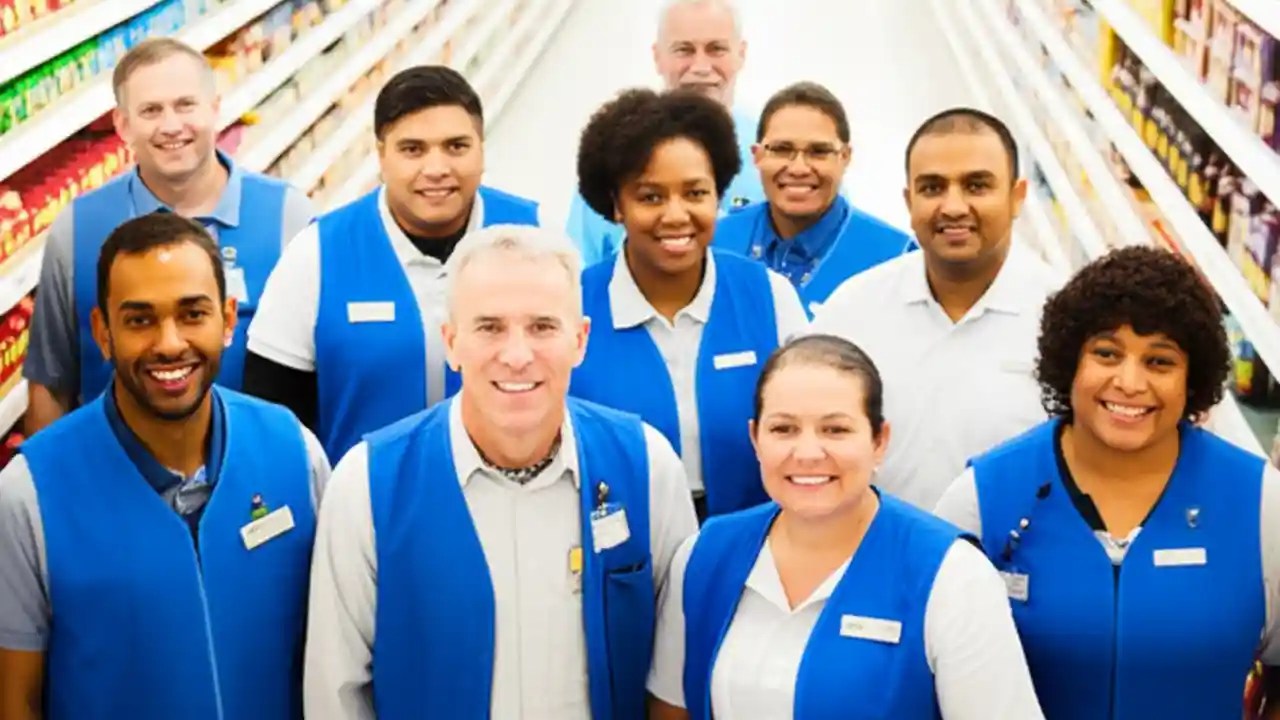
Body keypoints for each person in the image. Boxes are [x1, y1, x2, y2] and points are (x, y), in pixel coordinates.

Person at [303, 224, 698, 719]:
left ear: (580, 340)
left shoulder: (647, 467)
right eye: (489, 327)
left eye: (542, 327)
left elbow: (678, 670)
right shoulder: (366, 485)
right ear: (451, 341)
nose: (516, 356)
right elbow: (335, 694)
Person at [0, 214, 330, 720]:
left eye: (192, 314)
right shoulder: (29, 494)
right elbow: (16, 700)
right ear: (102, 333)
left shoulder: (295, 452)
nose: (170, 343)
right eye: (139, 320)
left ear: (227, 319)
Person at [935, 246, 1280, 720]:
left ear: (1192, 380)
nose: (1129, 382)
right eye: (1106, 353)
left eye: (1160, 362)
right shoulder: (982, 498)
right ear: (1069, 361)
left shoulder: (1260, 503)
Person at [647, 334, 1044, 719]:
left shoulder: (951, 575)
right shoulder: (705, 555)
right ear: (755, 438)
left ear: (879, 440)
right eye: (783, 429)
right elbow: (671, 706)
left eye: (835, 429)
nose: (807, 453)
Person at [243, 65, 545, 462]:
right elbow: (271, 418)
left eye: (456, 146)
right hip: (366, 510)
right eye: (412, 149)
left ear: (482, 150)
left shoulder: (536, 238)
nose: (436, 169)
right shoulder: (316, 254)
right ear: (382, 155)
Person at [23, 37, 316, 435]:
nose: (172, 126)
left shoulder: (288, 216)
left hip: (253, 474)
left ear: (214, 109)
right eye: (151, 110)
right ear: (122, 125)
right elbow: (51, 383)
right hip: (114, 476)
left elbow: (322, 369)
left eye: (185, 105)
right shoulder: (78, 229)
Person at [569, 88, 807, 521]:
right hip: (615, 547)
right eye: (651, 197)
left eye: (695, 193)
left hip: (756, 541)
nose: (676, 215)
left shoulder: (769, 297)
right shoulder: (570, 305)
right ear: (616, 205)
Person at [809, 107, 1060, 511]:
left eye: (977, 186)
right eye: (932, 188)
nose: (953, 206)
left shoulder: (1063, 315)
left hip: (1017, 564)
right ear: (909, 201)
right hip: (879, 559)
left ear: (1017, 197)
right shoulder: (852, 312)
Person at [565, 0, 764, 267]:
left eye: (716, 49)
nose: (701, 67)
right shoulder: (613, 157)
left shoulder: (773, 151)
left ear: (742, 54)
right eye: (684, 50)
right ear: (658, 57)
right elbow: (577, 272)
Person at [715, 82, 916, 317]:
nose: (799, 168)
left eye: (818, 151)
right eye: (781, 149)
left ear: (845, 157)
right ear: (757, 156)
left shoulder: (895, 256)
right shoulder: (715, 243)